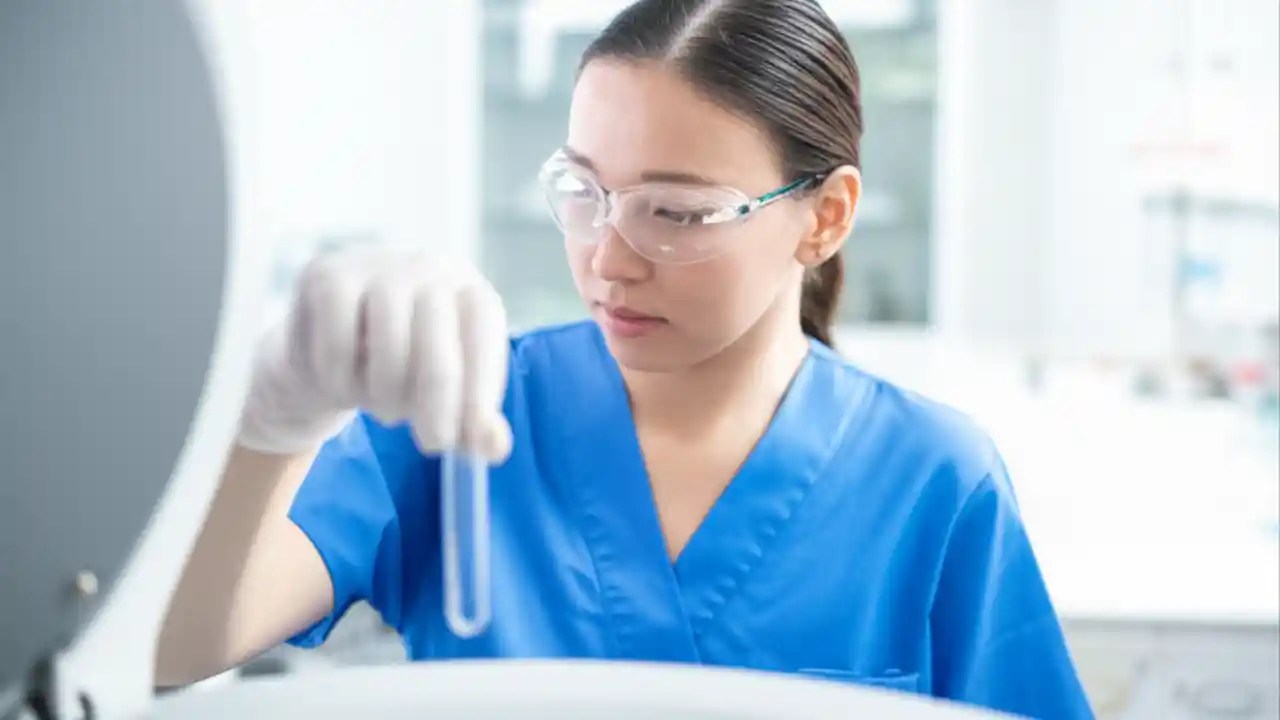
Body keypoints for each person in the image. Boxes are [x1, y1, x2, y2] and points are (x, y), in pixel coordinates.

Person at [156, 0, 1093, 716]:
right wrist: (271, 424)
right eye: (583, 190)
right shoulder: (464, 421)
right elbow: (173, 653)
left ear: (828, 216)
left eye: (676, 213)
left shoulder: (932, 479)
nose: (607, 259)